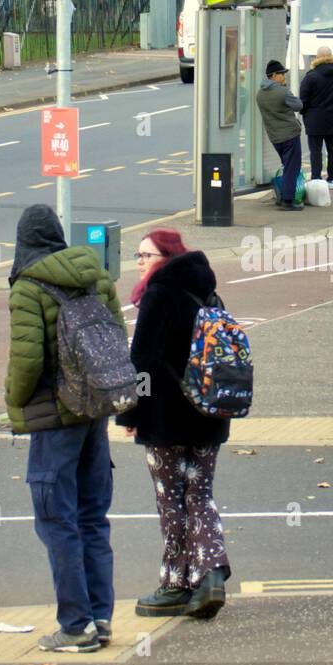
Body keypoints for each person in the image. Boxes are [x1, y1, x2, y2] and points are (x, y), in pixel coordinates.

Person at [5, 204, 125, 652]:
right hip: (94, 411)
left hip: (55, 419)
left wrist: (14, 401)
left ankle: (75, 627)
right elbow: (116, 337)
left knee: (58, 520)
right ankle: (101, 616)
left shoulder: (28, 287)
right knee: (93, 517)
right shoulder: (96, 277)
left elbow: (28, 361)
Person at [115, 229, 233, 620]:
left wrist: (133, 412)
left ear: (165, 257)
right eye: (138, 254)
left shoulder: (158, 294)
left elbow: (143, 363)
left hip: (167, 418)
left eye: (146, 255)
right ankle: (209, 574)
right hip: (209, 414)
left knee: (171, 500)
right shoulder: (207, 291)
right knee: (199, 495)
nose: (139, 261)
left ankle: (175, 585)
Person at [257, 59, 305, 211]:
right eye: (282, 74)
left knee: (286, 165)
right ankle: (287, 200)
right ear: (274, 75)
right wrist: (286, 91)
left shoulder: (260, 94)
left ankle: (282, 196)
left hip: (274, 136)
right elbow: (299, 106)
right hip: (290, 134)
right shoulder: (283, 91)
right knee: (292, 167)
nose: (284, 77)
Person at [300, 45, 333, 188]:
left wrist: (305, 114)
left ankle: (316, 177)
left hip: (314, 118)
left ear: (317, 58)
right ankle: (332, 179)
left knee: (315, 151)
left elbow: (303, 99)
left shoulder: (311, 77)